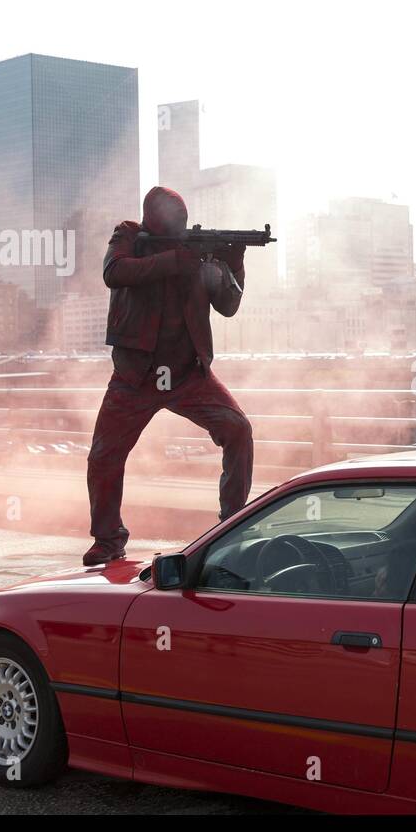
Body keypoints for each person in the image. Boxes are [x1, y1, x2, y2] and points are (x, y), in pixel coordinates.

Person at [82, 185, 252, 565]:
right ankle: (108, 540)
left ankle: (232, 527)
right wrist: (175, 261)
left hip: (188, 373)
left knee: (237, 429)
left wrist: (234, 262)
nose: (180, 226)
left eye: (183, 221)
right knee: (103, 457)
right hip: (134, 375)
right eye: (173, 220)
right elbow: (114, 271)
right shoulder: (128, 234)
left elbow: (228, 306)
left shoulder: (197, 253)